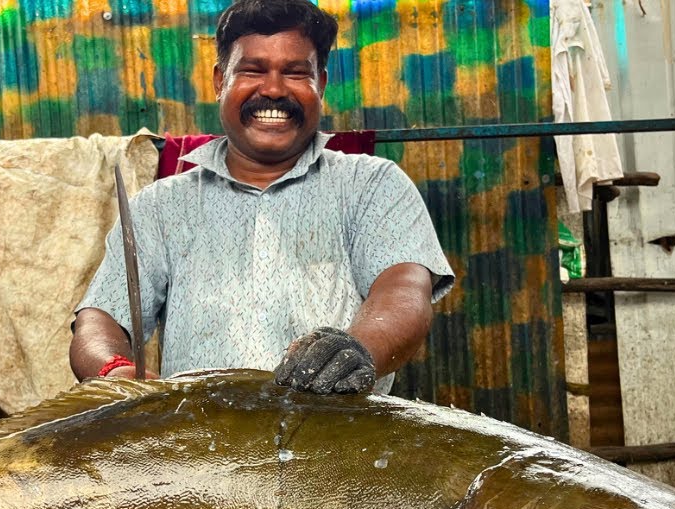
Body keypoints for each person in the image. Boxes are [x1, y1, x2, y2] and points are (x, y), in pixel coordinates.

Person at [70, 0, 454, 394]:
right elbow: (99, 319)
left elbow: (404, 292)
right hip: (200, 434)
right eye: (252, 70)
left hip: (336, 431)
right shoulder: (159, 206)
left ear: (321, 84)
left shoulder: (372, 184)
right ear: (220, 81)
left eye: (295, 72)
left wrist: (358, 350)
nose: (273, 89)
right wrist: (113, 369)